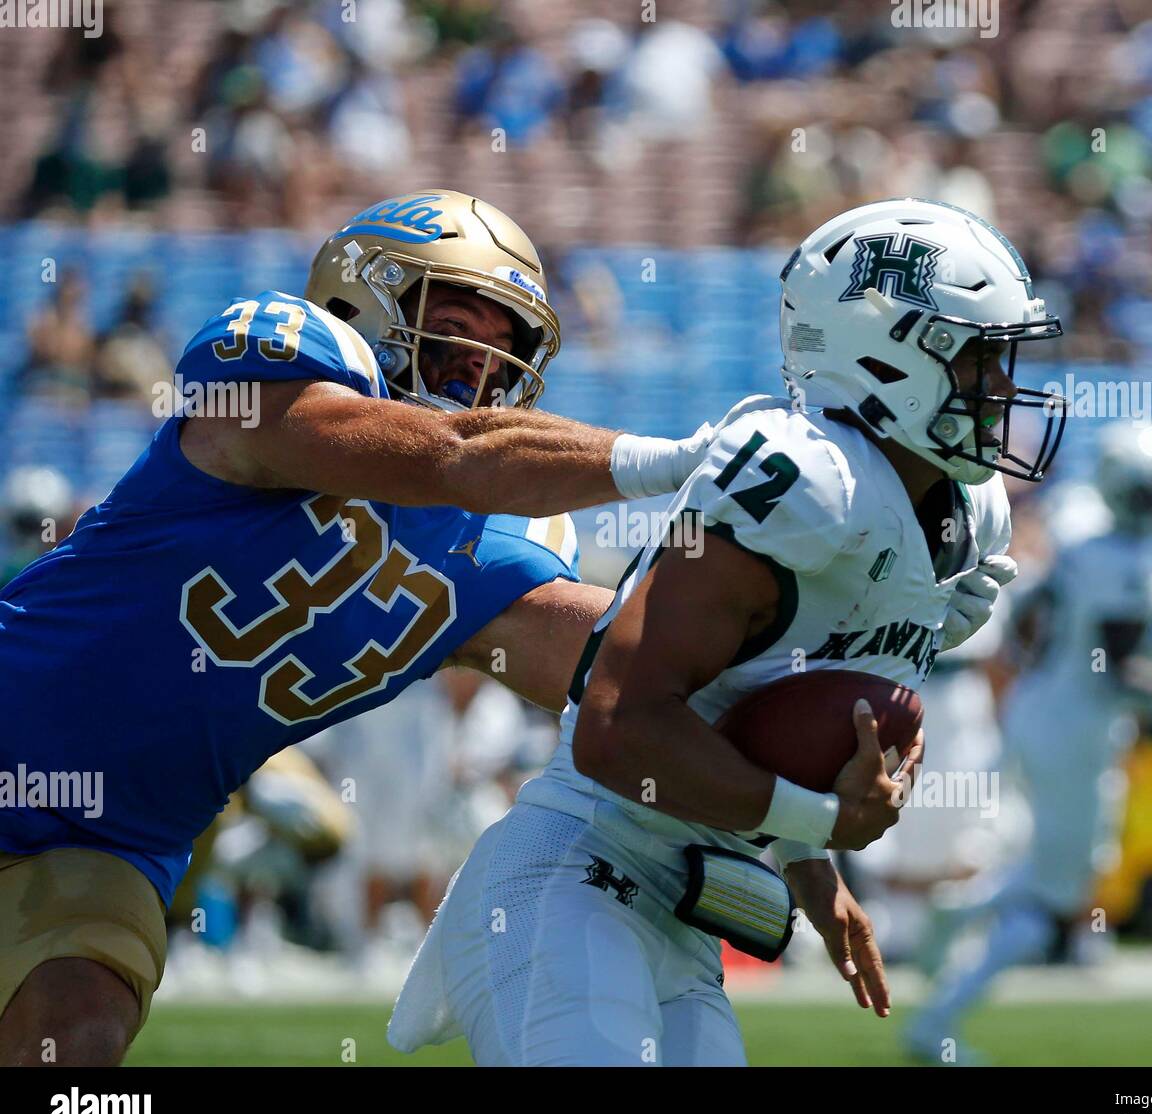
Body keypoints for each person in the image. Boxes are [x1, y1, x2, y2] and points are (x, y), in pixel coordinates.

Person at [0, 189, 715, 1066]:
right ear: (361, 302)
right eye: (454, 328)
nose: (477, 367)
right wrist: (686, 461)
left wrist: (814, 797)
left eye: (503, 350)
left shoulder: (491, 550)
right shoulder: (276, 363)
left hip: (116, 837)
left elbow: (637, 680)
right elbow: (455, 452)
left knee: (72, 1045)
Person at [389, 197, 1066, 1066]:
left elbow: (760, 707)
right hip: (578, 870)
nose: (1002, 388)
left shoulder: (970, 518)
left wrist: (814, 870)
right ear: (888, 354)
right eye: (979, 359)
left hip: (686, 913)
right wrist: (820, 820)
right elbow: (615, 728)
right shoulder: (804, 480)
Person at [905, 421, 1152, 1063]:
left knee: (1048, 868)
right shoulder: (1125, 561)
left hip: (1046, 709)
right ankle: (936, 1024)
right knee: (1055, 898)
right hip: (1078, 728)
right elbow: (1121, 672)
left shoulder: (1078, 530)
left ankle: (959, 910)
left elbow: (1031, 613)